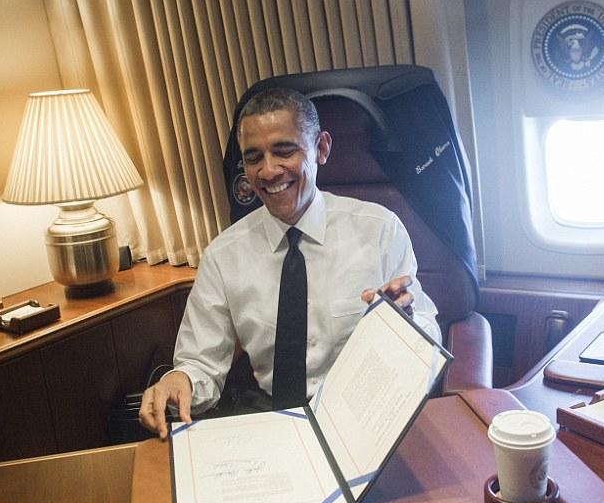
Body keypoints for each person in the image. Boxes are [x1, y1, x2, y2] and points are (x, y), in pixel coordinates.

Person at [139, 87, 440, 439]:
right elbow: (200, 362)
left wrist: (405, 326)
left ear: (321, 148)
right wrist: (180, 379)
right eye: (253, 158)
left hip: (362, 421)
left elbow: (428, 334)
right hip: (269, 420)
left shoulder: (379, 231)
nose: (268, 171)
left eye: (284, 151)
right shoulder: (224, 255)